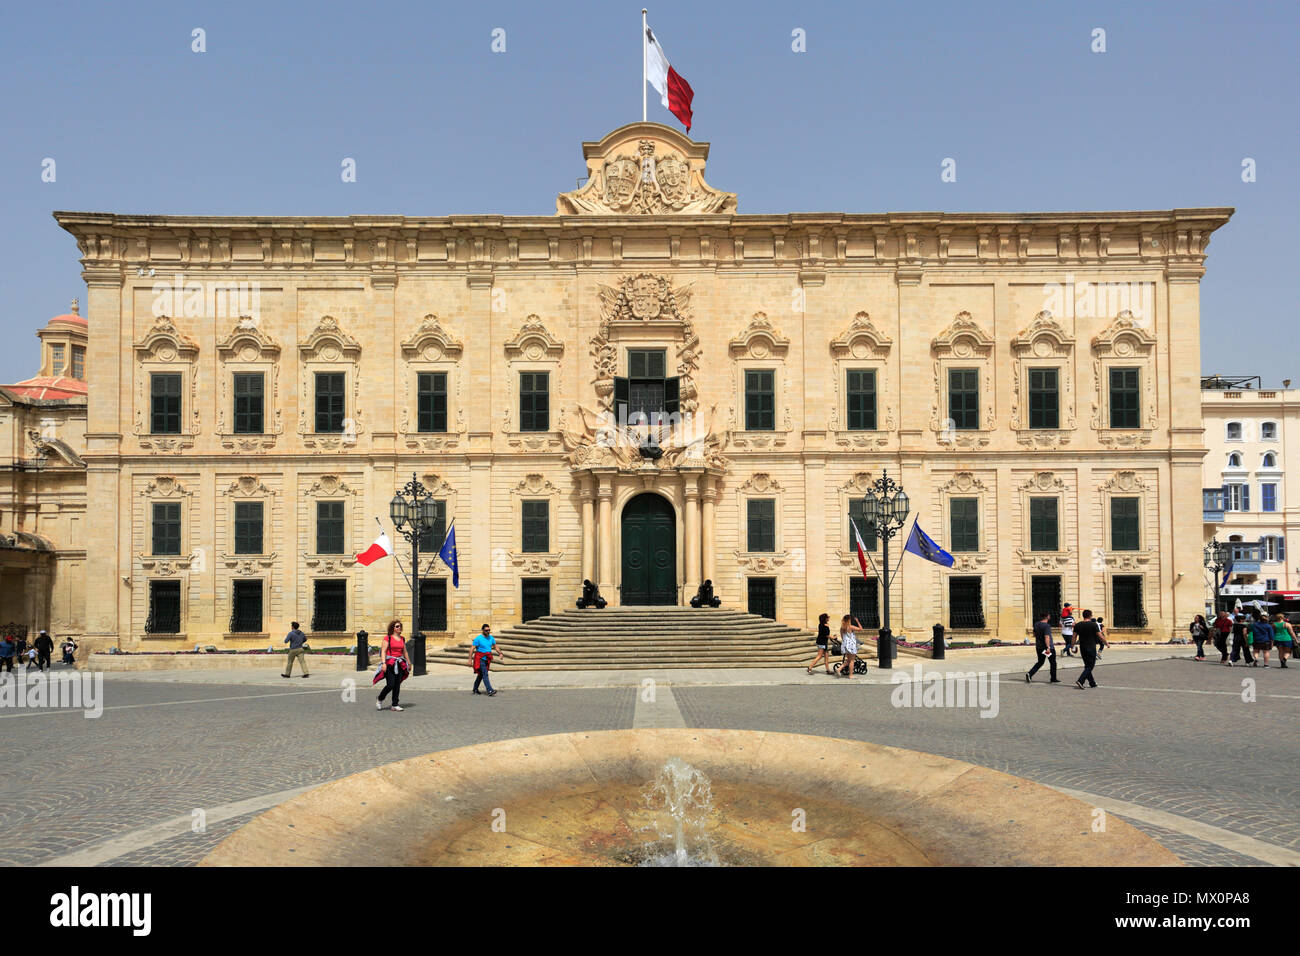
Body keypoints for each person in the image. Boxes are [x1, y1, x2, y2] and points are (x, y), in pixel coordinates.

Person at [376, 620, 411, 711]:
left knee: (397, 685)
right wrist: (383, 663)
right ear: (393, 628)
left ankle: (395, 704)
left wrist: (409, 663)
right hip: (390, 663)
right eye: (397, 626)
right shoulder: (388, 638)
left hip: (399, 663)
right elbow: (383, 651)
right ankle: (380, 698)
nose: (399, 628)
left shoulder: (402, 638)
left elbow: (405, 652)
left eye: (400, 626)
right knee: (390, 684)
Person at [1073, 609, 1106, 690]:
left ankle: (1092, 683)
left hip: (1082, 647)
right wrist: (1106, 643)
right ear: (1090, 616)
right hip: (1091, 647)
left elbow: (1074, 637)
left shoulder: (1078, 625)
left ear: (1083, 615)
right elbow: (1100, 636)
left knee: (1087, 666)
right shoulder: (1093, 624)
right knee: (1090, 665)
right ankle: (1081, 680)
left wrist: (1072, 646)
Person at [1025, 610, 1059, 683]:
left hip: (1039, 647)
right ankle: (1053, 678)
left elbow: (1034, 634)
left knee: (1040, 662)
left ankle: (1030, 673)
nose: (1050, 616)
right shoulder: (1047, 626)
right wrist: (1048, 647)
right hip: (1047, 648)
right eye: (1049, 615)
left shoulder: (1036, 624)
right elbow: (1047, 637)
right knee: (1053, 662)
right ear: (1047, 616)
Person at [471, 623, 503, 696]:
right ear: (482, 630)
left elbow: (495, 646)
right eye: (486, 630)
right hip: (480, 659)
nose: (488, 632)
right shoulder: (478, 638)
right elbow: (472, 649)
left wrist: (500, 653)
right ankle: (490, 690)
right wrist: (470, 659)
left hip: (487, 659)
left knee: (481, 675)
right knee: (485, 674)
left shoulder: (491, 638)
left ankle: (475, 688)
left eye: (489, 630)